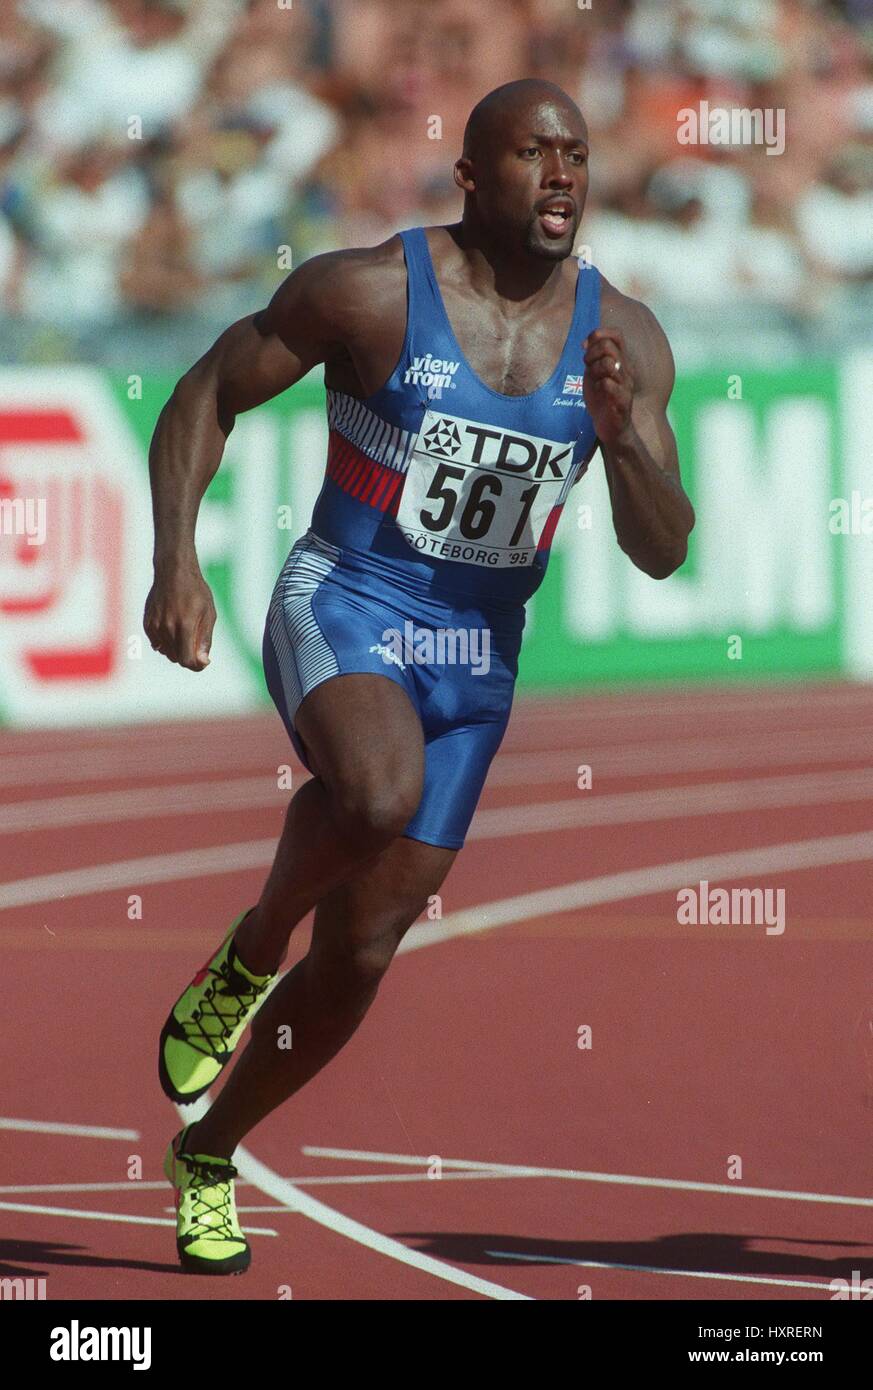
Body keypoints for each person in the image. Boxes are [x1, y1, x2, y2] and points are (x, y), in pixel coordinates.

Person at [144, 77, 694, 1275]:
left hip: (477, 656)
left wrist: (619, 437)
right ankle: (246, 954)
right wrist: (176, 562)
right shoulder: (370, 292)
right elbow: (203, 392)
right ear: (470, 176)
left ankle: (210, 1155)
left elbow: (663, 550)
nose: (560, 173)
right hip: (346, 598)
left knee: (365, 953)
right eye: (531, 153)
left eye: (577, 155)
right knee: (375, 791)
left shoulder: (628, 339)